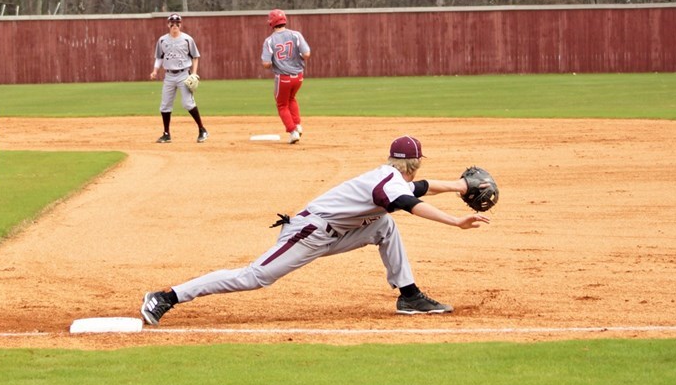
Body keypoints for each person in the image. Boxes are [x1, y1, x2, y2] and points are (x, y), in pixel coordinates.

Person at [141, 136, 490, 325]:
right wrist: (456, 222)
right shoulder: (390, 186)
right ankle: (166, 296)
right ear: (413, 163)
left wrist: (460, 185)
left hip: (334, 233)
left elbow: (422, 189)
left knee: (383, 226)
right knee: (254, 276)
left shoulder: (388, 177)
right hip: (307, 234)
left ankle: (409, 295)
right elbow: (412, 203)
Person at [149, 13, 208, 143]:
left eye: (177, 23)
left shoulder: (187, 39)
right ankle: (166, 134)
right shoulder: (162, 40)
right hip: (169, 75)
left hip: (183, 74)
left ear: (181, 24)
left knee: (188, 103)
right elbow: (159, 57)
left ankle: (202, 129)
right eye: (172, 22)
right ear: (168, 24)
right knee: (165, 106)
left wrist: (193, 73)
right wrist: (155, 70)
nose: (174, 25)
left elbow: (195, 56)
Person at [261, 9, 310, 144]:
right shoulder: (296, 35)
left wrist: (273, 63)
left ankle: (293, 131)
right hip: (298, 76)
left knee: (282, 105)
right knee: (291, 98)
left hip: (283, 78)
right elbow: (306, 54)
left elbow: (266, 63)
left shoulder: (270, 41)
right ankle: (297, 125)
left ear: (271, 23)